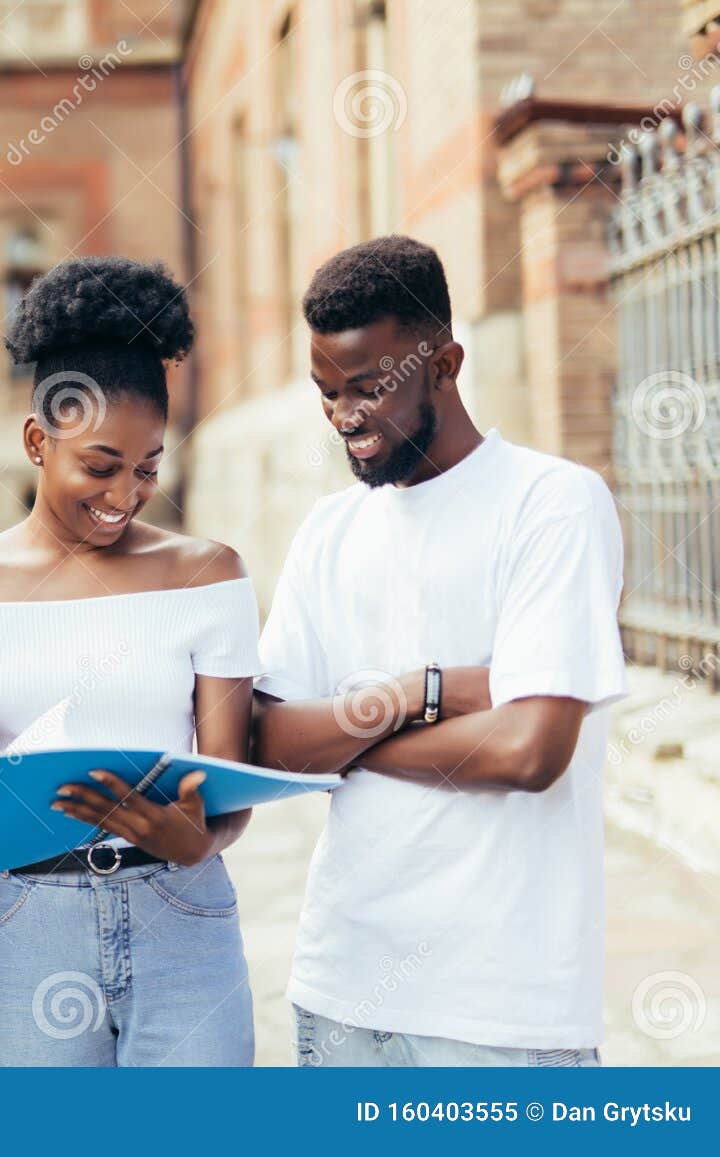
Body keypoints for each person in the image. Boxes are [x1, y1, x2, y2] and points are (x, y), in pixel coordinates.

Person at [253, 235, 627, 1067]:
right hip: (342, 989)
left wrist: (346, 738)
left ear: (445, 363)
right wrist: (417, 691)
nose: (346, 417)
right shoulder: (328, 531)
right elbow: (270, 741)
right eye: (325, 392)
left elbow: (532, 749)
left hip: (502, 1010)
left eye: (369, 388)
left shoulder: (551, 503)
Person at [0, 256, 261, 1066]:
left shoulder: (210, 573)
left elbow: (229, 789)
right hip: (32, 919)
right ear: (36, 439)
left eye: (148, 467)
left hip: (184, 913)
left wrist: (196, 839)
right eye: (100, 465)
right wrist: (3, 805)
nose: (126, 494)